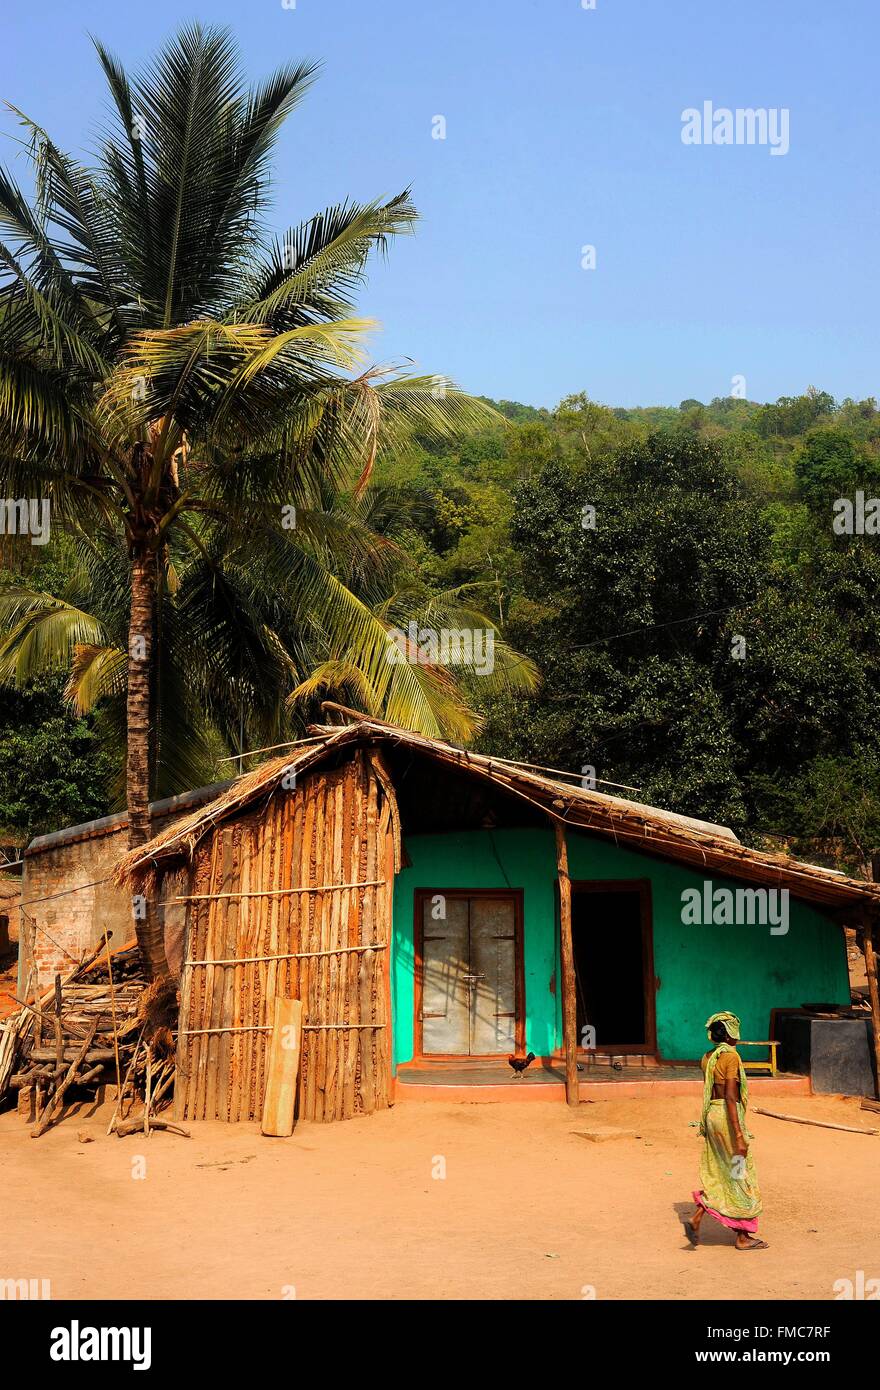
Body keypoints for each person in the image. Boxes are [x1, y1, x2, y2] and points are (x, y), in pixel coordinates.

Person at [684, 1010, 767, 1251]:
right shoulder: (730, 1057)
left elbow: (713, 1092)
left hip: (712, 1117)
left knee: (723, 1172)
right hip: (728, 1120)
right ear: (731, 1033)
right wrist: (739, 1135)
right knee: (740, 1173)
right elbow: (731, 1096)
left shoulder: (708, 1057)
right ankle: (743, 1236)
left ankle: (697, 1216)